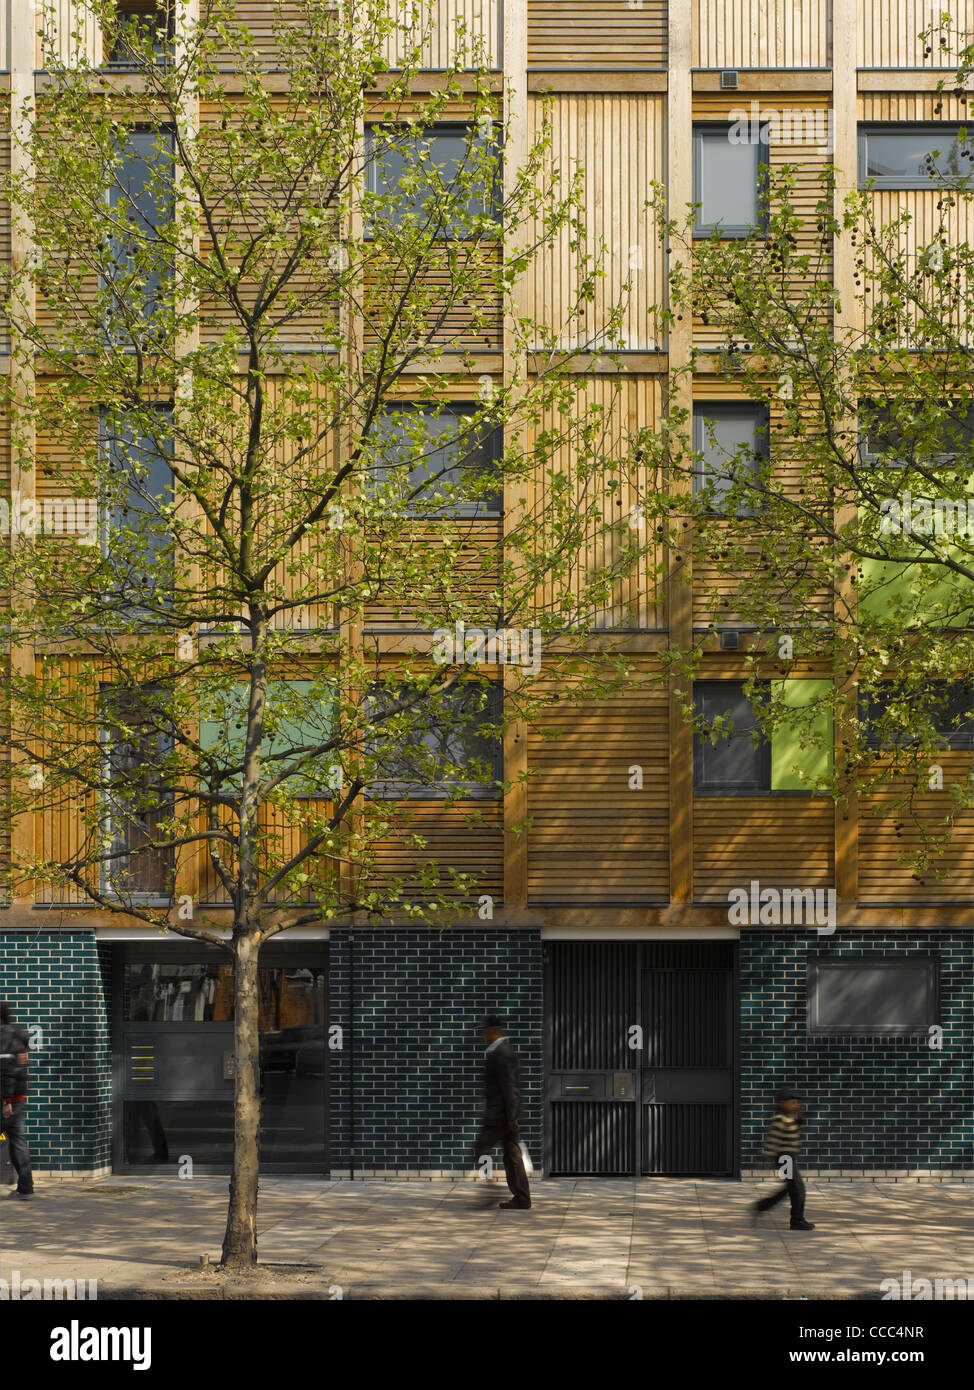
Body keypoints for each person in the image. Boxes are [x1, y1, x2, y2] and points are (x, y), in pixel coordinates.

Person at [474, 1015, 531, 1210]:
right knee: (513, 1156)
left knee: (481, 1148)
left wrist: (512, 1116)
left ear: (494, 1030)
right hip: (504, 1116)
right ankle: (522, 1198)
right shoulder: (498, 1051)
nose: (483, 1034)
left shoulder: (502, 1053)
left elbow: (510, 1086)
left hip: (499, 1117)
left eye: (485, 1030)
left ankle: (490, 1188)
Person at [752, 1085, 812, 1230]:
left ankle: (763, 1205)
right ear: (782, 1103)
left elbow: (797, 1131)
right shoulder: (780, 1119)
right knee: (798, 1189)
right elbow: (773, 1139)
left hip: (789, 1158)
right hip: (784, 1158)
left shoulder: (791, 1117)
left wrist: (799, 1117)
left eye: (796, 1102)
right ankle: (797, 1220)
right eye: (792, 1102)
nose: (796, 1104)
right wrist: (765, 1158)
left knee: (791, 1188)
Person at [0, 1001, 34, 1200]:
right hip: (18, 1098)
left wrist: (6, 1101)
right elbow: (21, 1070)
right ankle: (25, 1188)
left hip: (7, 1101)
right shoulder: (19, 1035)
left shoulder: (4, 1037)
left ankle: (25, 1188)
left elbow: (6, 1072)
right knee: (18, 1143)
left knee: (17, 1143)